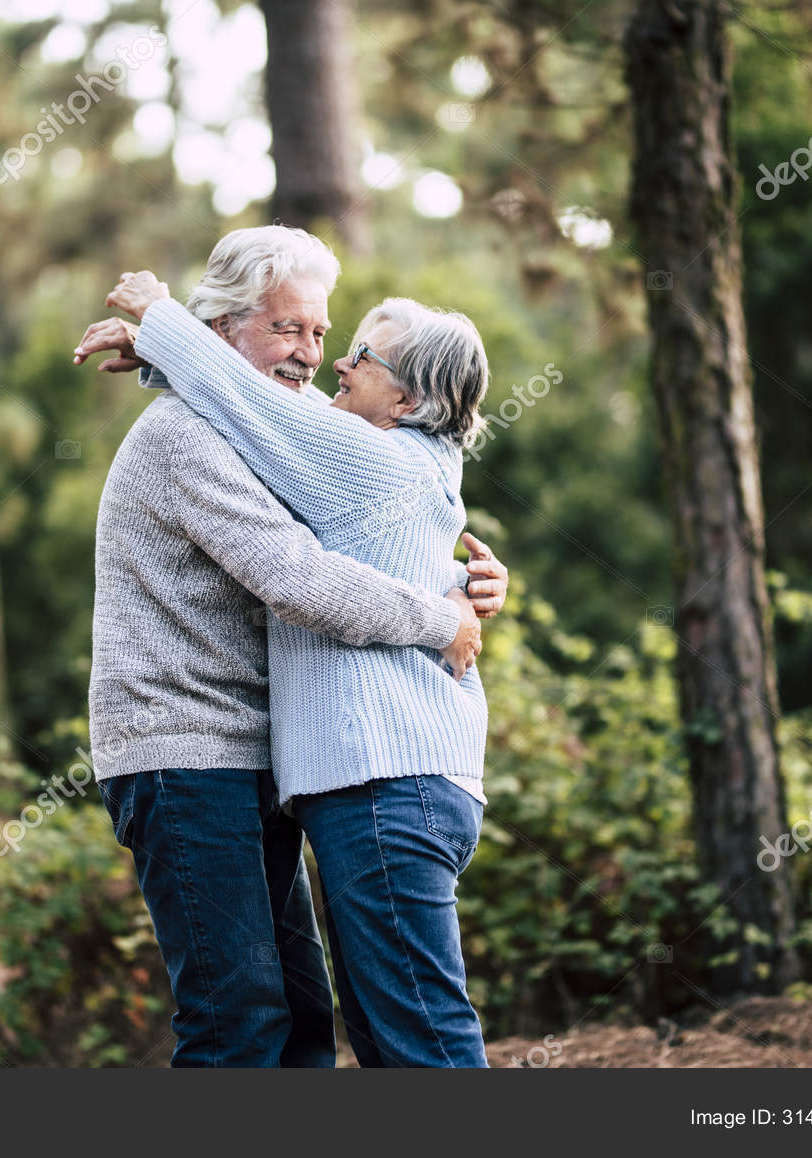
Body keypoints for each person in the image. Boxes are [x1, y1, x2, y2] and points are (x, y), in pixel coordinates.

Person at [73, 227, 509, 1068]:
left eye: (321, 333)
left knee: (302, 1025)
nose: (312, 357)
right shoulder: (187, 439)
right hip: (186, 754)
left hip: (255, 763)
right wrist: (440, 618)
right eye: (287, 330)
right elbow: (297, 575)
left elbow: (310, 429)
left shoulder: (265, 432)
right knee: (237, 1024)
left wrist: (467, 586)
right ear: (226, 328)